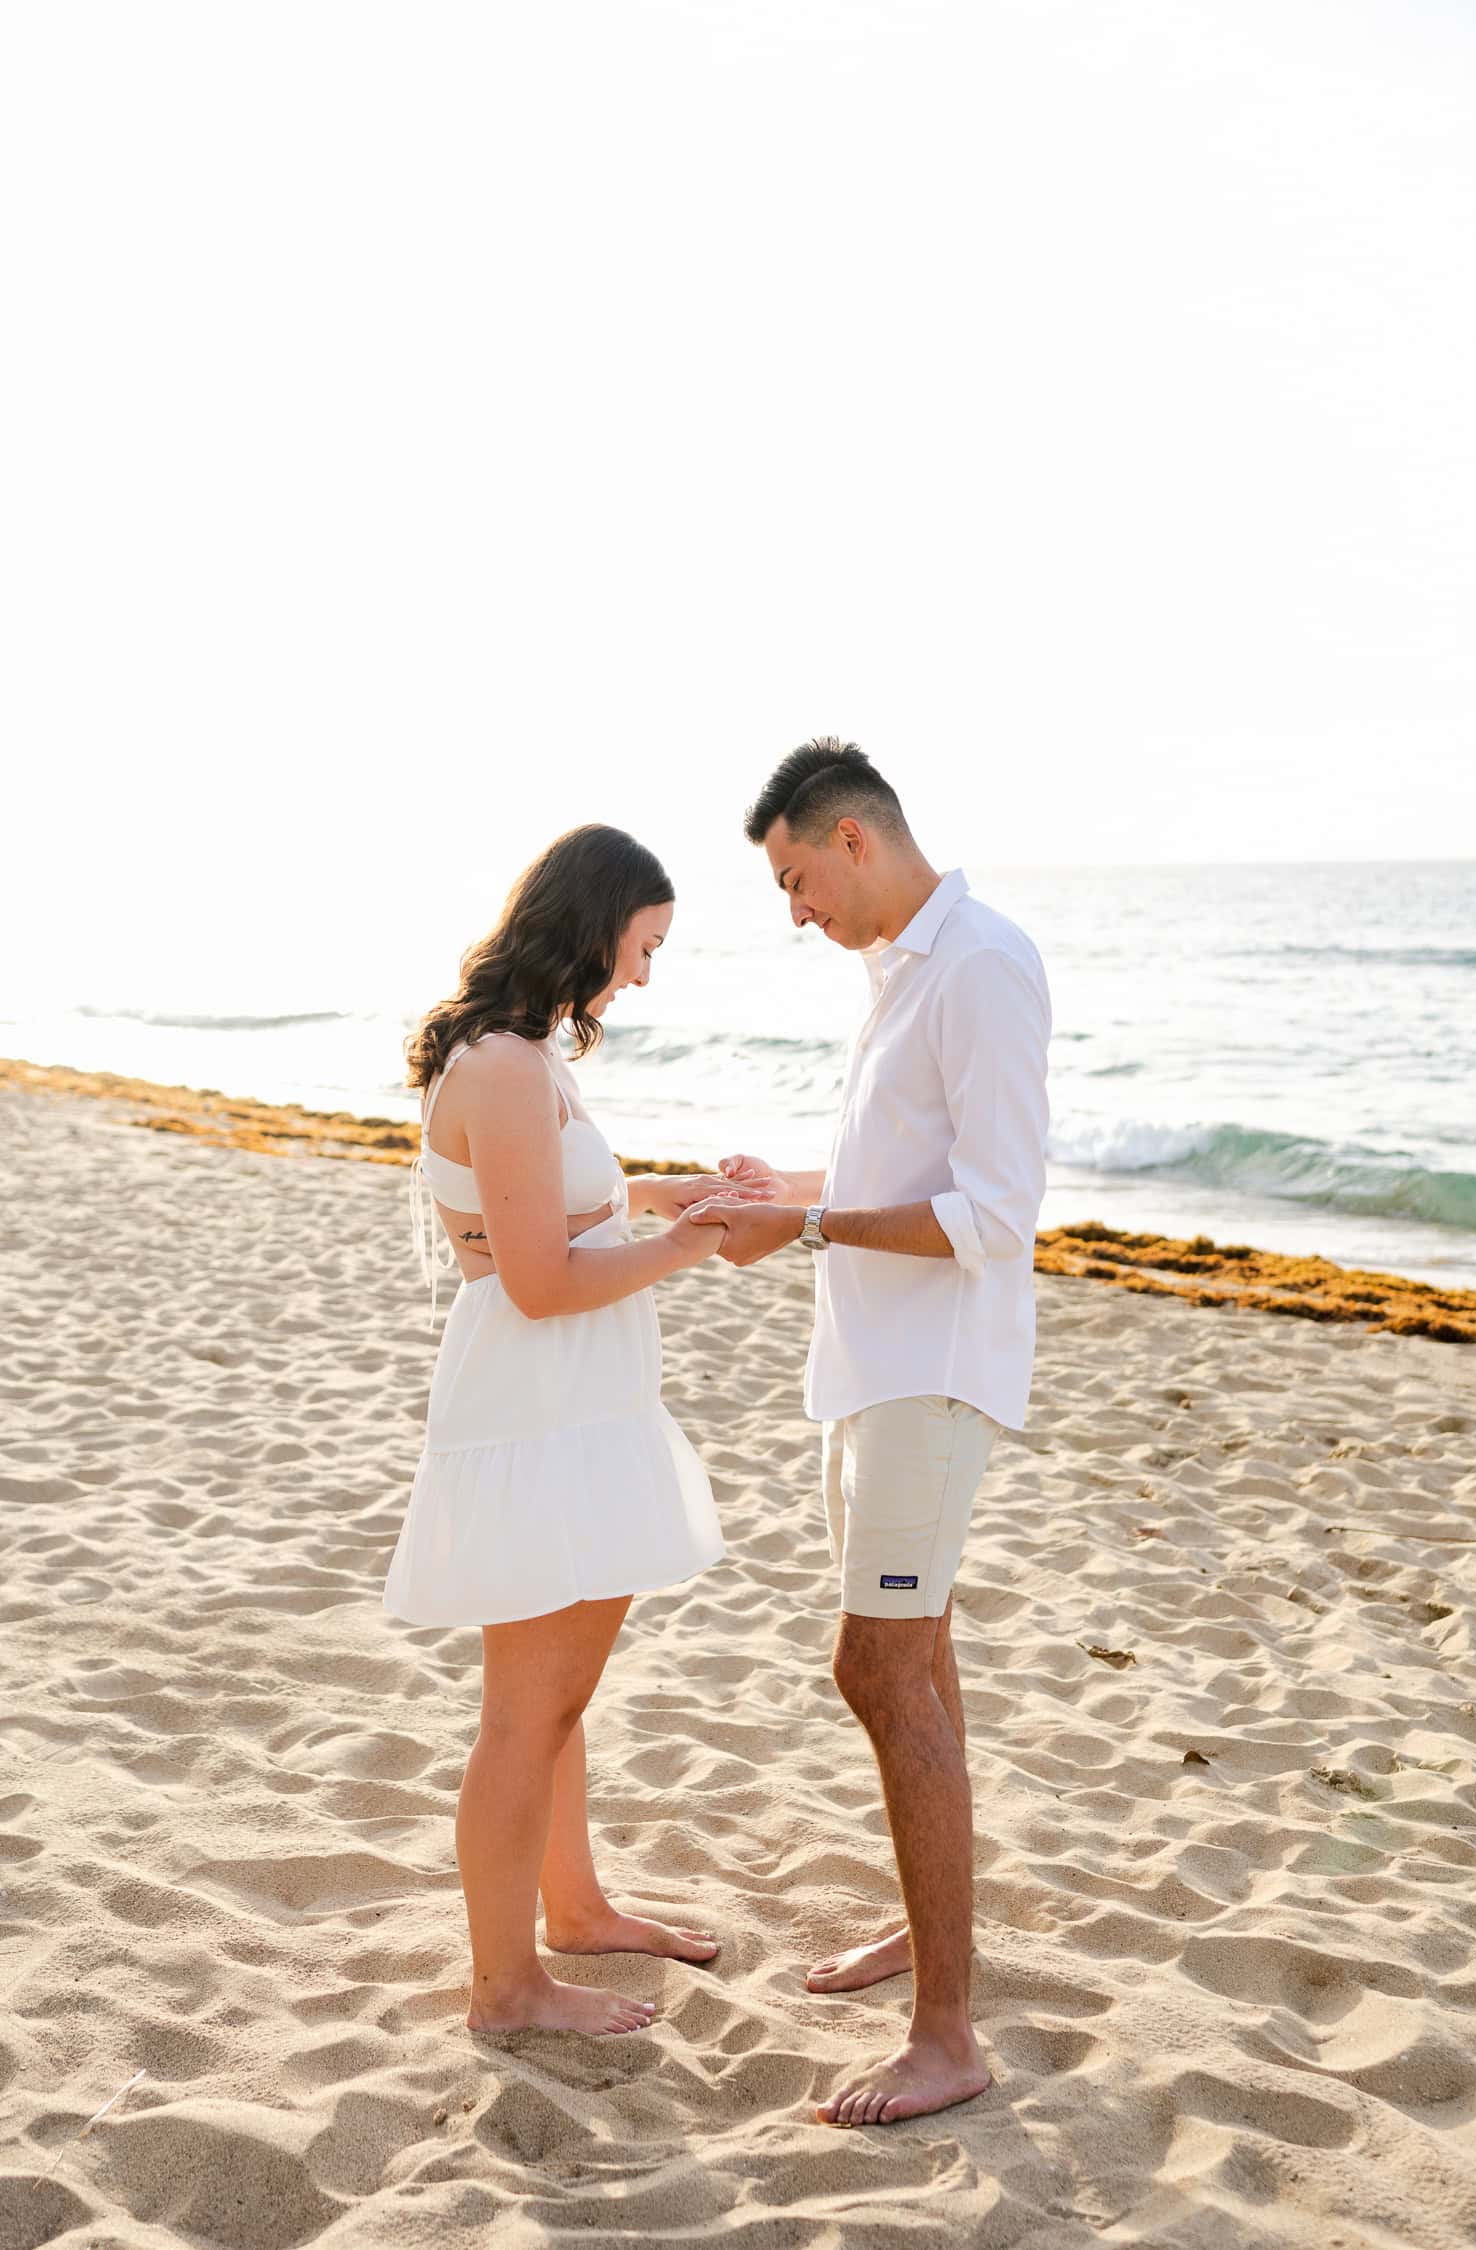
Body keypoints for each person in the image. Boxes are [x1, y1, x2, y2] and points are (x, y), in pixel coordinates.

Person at [687, 739, 1051, 2126]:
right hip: (870, 1369)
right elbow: (897, 1170)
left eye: (795, 880)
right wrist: (787, 1188)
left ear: (851, 838)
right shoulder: (900, 973)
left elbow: (995, 1214)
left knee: (878, 1667)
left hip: (931, 1372)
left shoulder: (983, 964)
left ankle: (947, 2036)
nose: (795, 911)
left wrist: (807, 1225)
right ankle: (930, 1924)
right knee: (917, 1661)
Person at [384, 823, 771, 2039]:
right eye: (643, 947)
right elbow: (539, 1281)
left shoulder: (521, 1052)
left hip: (569, 1405)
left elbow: (539, 1211)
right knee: (527, 1711)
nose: (643, 976)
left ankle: (578, 1908)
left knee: (554, 1700)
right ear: (594, 924)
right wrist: (685, 1246)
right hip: (542, 1408)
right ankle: (506, 1990)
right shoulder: (504, 1065)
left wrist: (650, 1196)